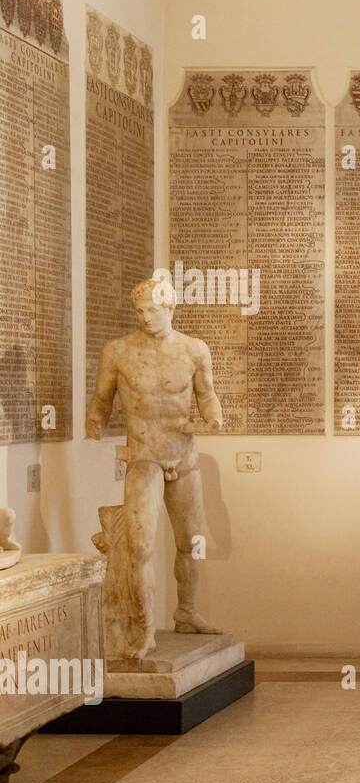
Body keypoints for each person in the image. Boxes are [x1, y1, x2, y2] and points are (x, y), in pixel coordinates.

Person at [87, 276, 224, 659]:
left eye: (153, 310)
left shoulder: (194, 350)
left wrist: (214, 417)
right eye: (140, 311)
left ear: (171, 308)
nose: (146, 318)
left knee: (191, 543)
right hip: (143, 456)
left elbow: (207, 396)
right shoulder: (118, 352)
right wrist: (94, 418)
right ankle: (144, 629)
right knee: (140, 545)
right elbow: (101, 397)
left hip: (183, 456)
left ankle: (187, 612)